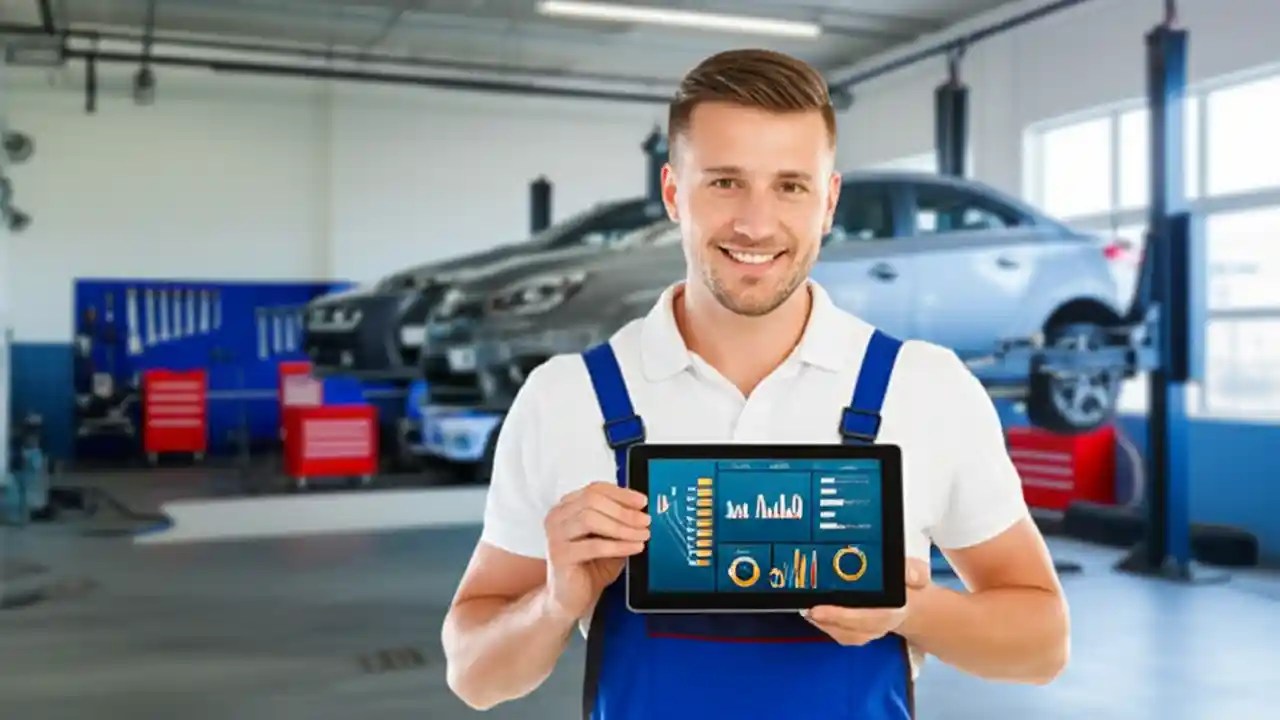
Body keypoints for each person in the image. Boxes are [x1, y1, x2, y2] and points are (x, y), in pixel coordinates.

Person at [442, 48, 1070, 719]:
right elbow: (476, 677)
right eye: (724, 182)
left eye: (791, 186)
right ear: (673, 194)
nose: (756, 223)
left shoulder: (923, 388)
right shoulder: (566, 397)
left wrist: (912, 609)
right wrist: (556, 601)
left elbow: (1041, 646)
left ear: (828, 201)